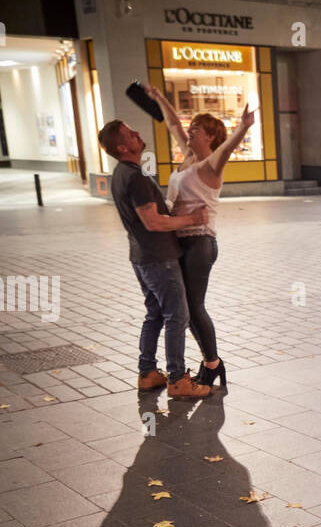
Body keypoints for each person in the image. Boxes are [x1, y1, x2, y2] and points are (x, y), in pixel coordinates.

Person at [144, 84, 254, 388]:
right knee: (185, 308)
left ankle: (213, 363)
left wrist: (242, 128)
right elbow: (173, 124)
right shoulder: (187, 158)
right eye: (191, 128)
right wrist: (159, 98)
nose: (189, 132)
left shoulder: (210, 165)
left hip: (199, 243)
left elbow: (228, 148)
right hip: (179, 240)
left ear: (211, 137)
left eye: (197, 129)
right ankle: (211, 362)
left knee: (193, 307)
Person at [97, 119, 210, 399]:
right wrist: (191, 219)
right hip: (159, 257)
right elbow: (153, 222)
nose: (137, 133)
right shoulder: (134, 177)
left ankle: (147, 373)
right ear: (123, 147)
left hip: (141, 255)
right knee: (177, 315)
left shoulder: (122, 173)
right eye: (130, 133)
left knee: (156, 313)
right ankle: (178, 379)